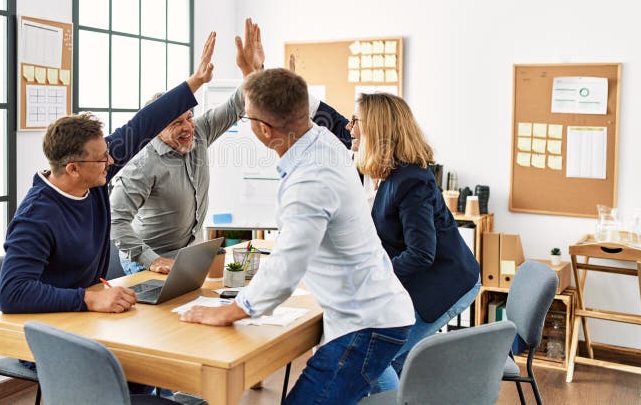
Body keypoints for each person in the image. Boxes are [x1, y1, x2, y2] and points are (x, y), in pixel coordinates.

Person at [180, 69, 415, 405]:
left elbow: (287, 266)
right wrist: (254, 74)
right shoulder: (324, 141)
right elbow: (286, 102)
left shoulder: (309, 182)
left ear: (263, 129)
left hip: (365, 324)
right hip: (373, 312)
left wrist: (230, 311)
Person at [0, 32, 217, 314]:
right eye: (102, 159)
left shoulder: (94, 174)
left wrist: (196, 81)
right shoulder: (36, 217)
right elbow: (12, 294)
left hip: (91, 315)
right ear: (72, 169)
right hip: (52, 332)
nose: (111, 160)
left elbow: (143, 125)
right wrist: (88, 299)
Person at [109, 19, 264, 275]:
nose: (187, 127)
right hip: (146, 261)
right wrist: (150, 259)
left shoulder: (200, 132)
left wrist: (253, 72)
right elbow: (117, 220)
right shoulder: (141, 163)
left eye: (189, 118)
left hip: (186, 256)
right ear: (154, 127)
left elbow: (237, 104)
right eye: (177, 122)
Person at [349, 93, 481, 392]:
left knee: (371, 361)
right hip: (418, 280)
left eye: (355, 121)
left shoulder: (411, 180)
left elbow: (421, 254)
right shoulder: (379, 174)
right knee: (386, 363)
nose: (349, 127)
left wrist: (372, 278)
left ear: (376, 128)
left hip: (445, 284)